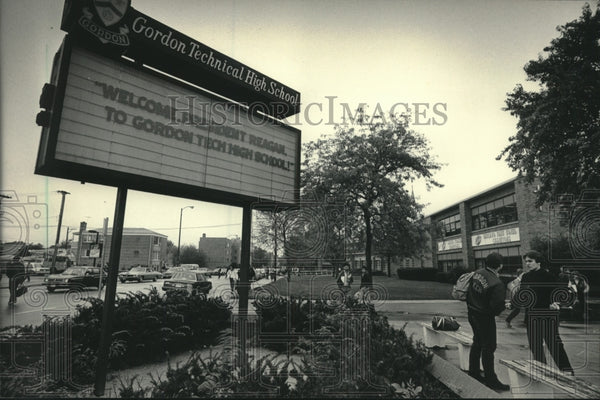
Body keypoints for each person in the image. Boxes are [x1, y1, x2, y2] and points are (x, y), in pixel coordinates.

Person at [520, 250, 573, 375]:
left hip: (547, 316)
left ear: (538, 262)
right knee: (535, 346)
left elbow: (556, 294)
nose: (527, 264)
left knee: (554, 345)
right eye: (526, 261)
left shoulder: (548, 276)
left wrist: (554, 303)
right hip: (531, 316)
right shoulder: (526, 277)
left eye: (530, 261)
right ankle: (542, 371)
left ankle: (567, 372)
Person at [466, 252, 510, 391]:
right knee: (489, 347)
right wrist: (505, 305)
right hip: (484, 317)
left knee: (477, 342)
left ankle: (473, 371)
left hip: (472, 312)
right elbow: (496, 308)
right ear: (500, 266)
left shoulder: (477, 273)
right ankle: (491, 380)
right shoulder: (497, 283)